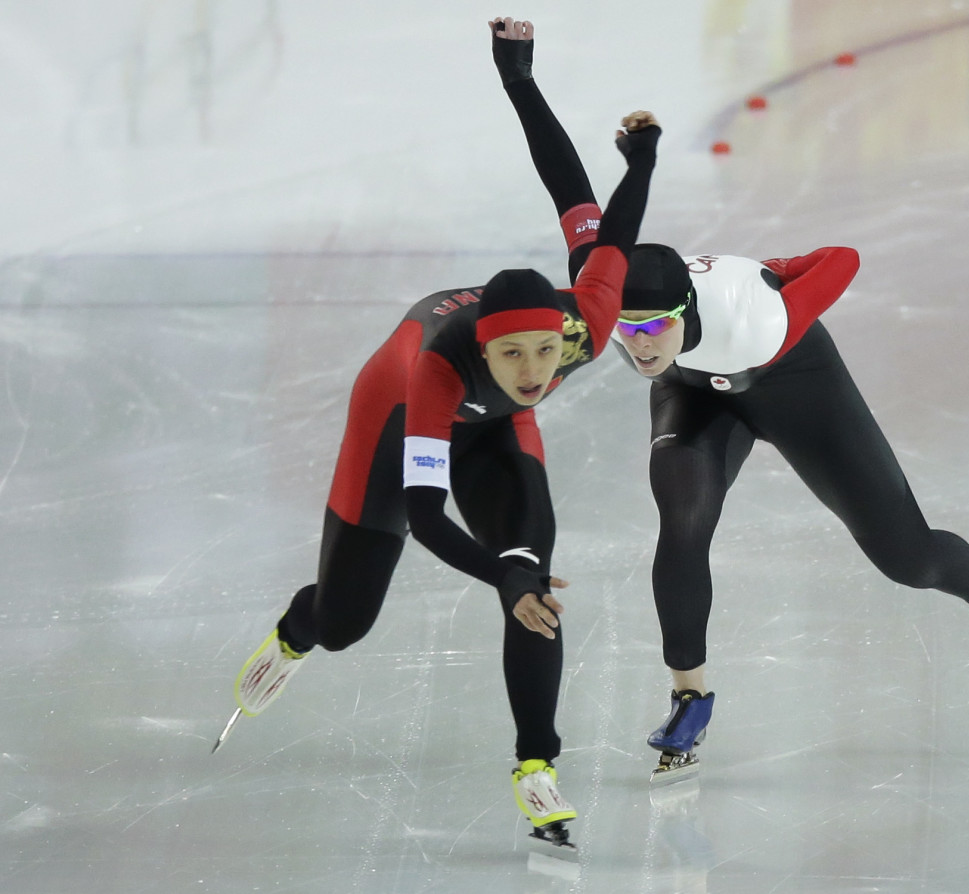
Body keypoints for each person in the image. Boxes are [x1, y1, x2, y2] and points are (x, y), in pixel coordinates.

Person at [218, 18, 661, 851]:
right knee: (350, 622)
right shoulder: (435, 372)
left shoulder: (588, 324)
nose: (533, 370)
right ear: (482, 345)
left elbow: (588, 211)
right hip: (392, 421)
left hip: (495, 432)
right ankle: (298, 629)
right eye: (511, 354)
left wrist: (541, 94)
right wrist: (495, 574)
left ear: (563, 335)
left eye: (542, 353)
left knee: (536, 591)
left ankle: (537, 765)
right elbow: (424, 516)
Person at [612, 245, 969, 778]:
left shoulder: (757, 318)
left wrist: (779, 269)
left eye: (655, 327)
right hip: (694, 393)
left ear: (684, 310)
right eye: (626, 327)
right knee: (683, 520)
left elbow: (842, 258)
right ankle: (691, 700)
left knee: (909, 559)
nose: (639, 344)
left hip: (792, 381)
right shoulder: (612, 312)